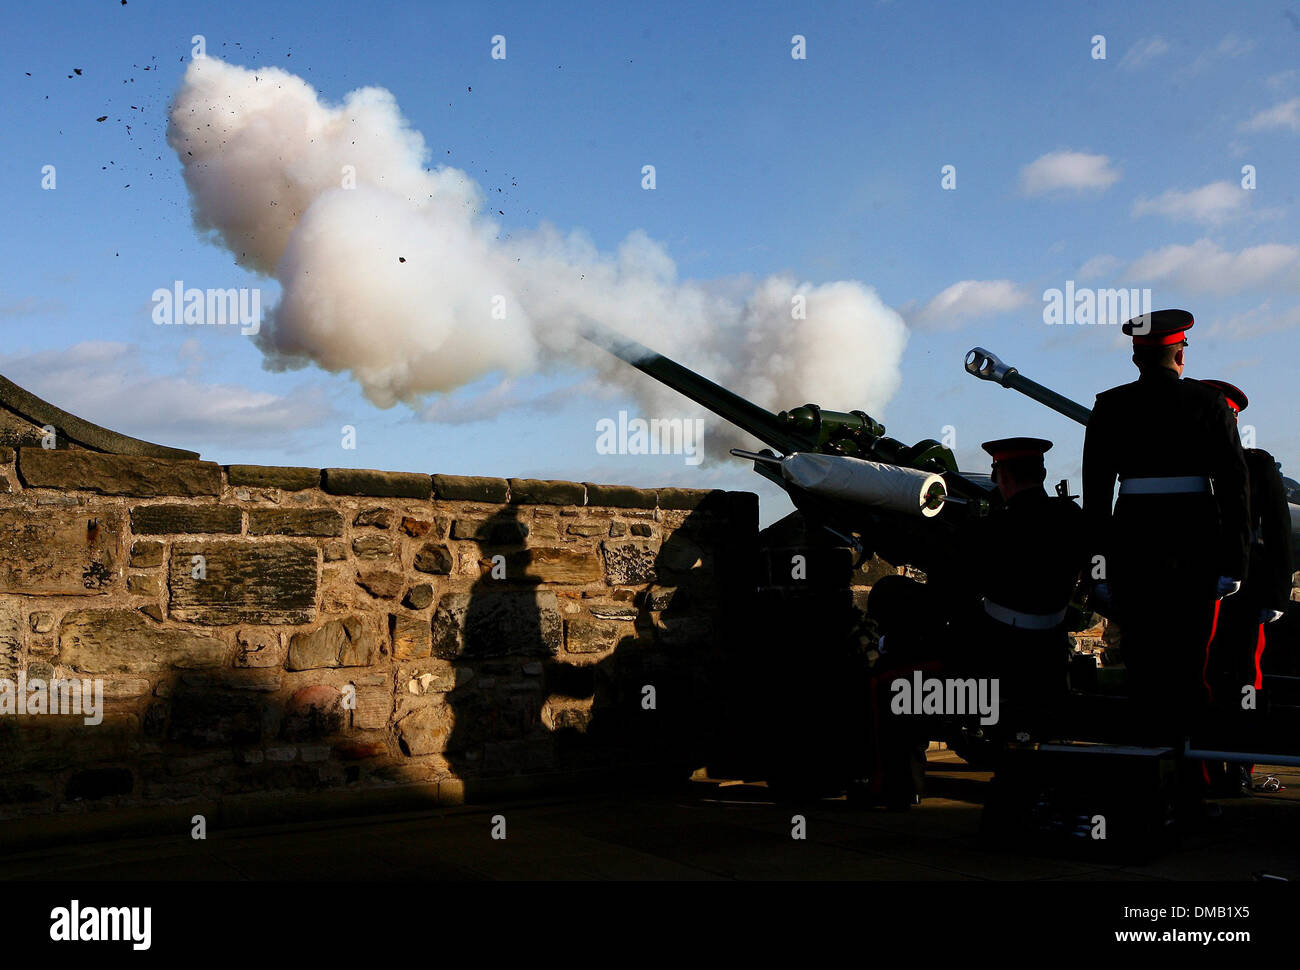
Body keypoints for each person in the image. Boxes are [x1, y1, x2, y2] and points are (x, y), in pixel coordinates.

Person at [1081, 310, 1250, 785]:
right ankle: (1192, 787)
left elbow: (1096, 499)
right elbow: (1236, 491)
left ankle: (1144, 783)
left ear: (1137, 357)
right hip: (1195, 555)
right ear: (1179, 353)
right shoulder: (1210, 404)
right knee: (1188, 673)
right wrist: (1232, 564)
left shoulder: (1109, 406)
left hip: (1134, 556)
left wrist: (1099, 572)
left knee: (1143, 673)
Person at [1198, 379, 1294, 795]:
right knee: (1199, 680)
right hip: (1197, 590)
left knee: (1244, 684)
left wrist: (1275, 595)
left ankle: (1239, 763)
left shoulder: (1257, 466)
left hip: (1247, 595)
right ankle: (1201, 765)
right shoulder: (1187, 466)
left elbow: (1278, 533)